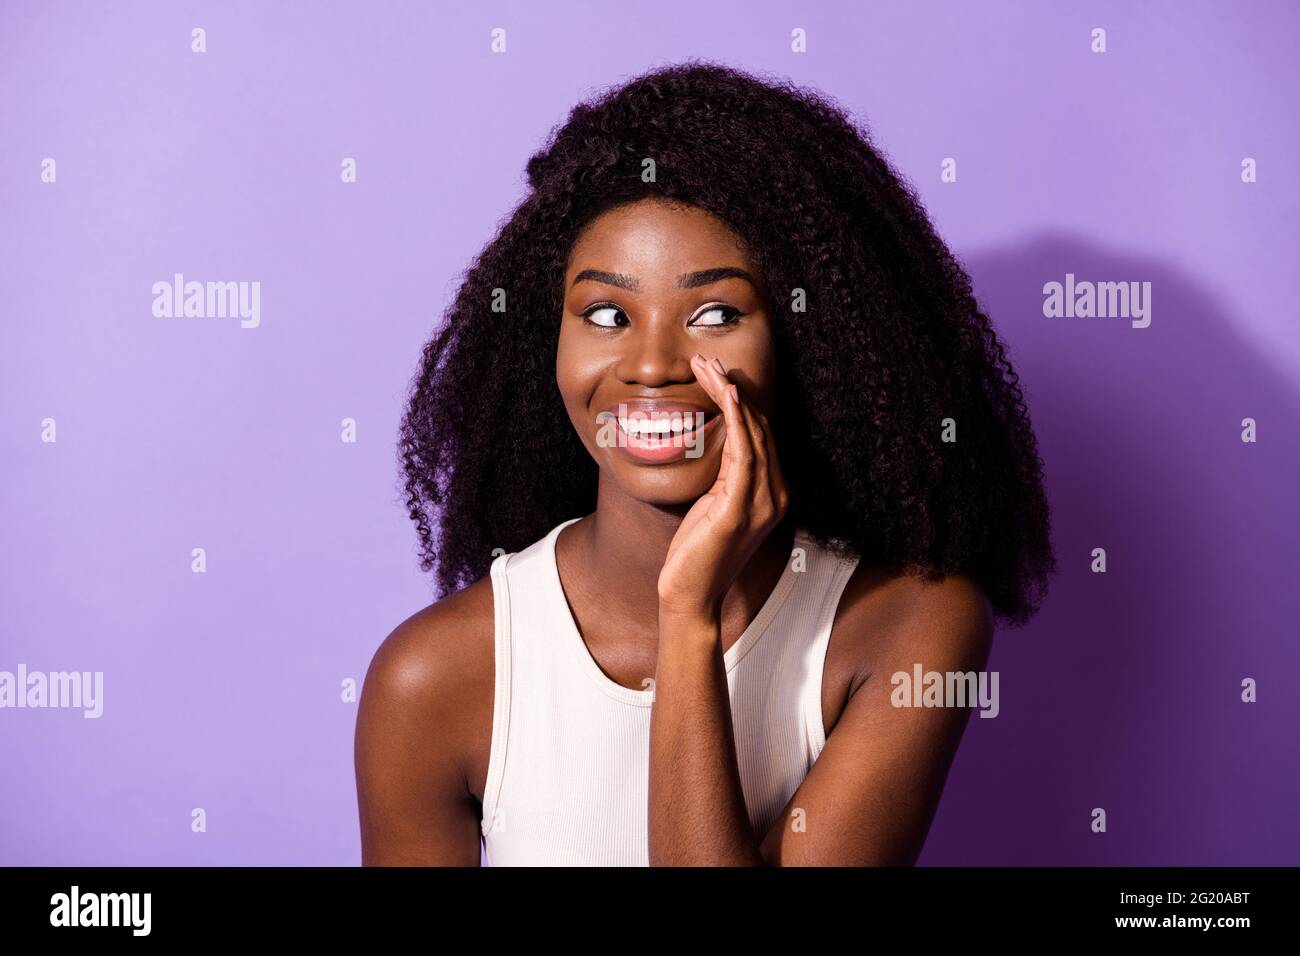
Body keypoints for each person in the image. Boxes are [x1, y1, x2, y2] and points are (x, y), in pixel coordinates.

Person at [354, 61, 1055, 866]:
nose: (653, 365)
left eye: (717, 313)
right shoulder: (433, 677)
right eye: (606, 314)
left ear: (809, 342)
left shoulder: (904, 627)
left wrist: (686, 615)